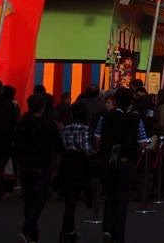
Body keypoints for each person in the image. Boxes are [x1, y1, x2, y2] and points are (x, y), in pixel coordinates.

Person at [94, 87, 149, 243]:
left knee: (109, 196)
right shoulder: (135, 119)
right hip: (126, 162)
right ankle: (118, 233)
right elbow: (143, 143)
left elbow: (97, 140)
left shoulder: (105, 117)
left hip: (109, 161)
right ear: (130, 102)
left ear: (116, 101)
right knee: (122, 199)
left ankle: (107, 229)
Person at [13, 93, 63, 243]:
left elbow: (17, 143)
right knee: (39, 199)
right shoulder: (49, 124)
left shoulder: (23, 122)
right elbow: (58, 146)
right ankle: (28, 228)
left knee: (28, 198)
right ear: (43, 106)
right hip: (43, 164)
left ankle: (31, 233)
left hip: (26, 163)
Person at [57, 104, 94, 243]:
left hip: (66, 163)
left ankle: (68, 231)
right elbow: (86, 148)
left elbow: (62, 144)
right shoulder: (85, 129)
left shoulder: (65, 128)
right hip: (79, 164)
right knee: (73, 200)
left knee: (69, 200)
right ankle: (67, 231)